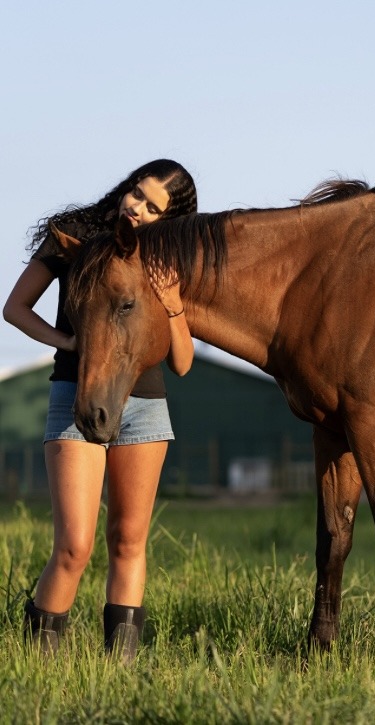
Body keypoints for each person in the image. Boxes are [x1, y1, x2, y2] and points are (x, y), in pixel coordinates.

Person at [3, 159, 197, 661]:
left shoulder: (165, 259)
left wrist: (173, 302)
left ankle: (120, 669)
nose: (138, 208)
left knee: (129, 542)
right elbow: (15, 308)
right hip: (75, 395)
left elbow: (181, 363)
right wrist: (67, 339)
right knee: (74, 546)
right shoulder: (74, 236)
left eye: (154, 207)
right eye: (138, 193)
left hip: (145, 406)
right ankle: (40, 665)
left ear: (168, 218)